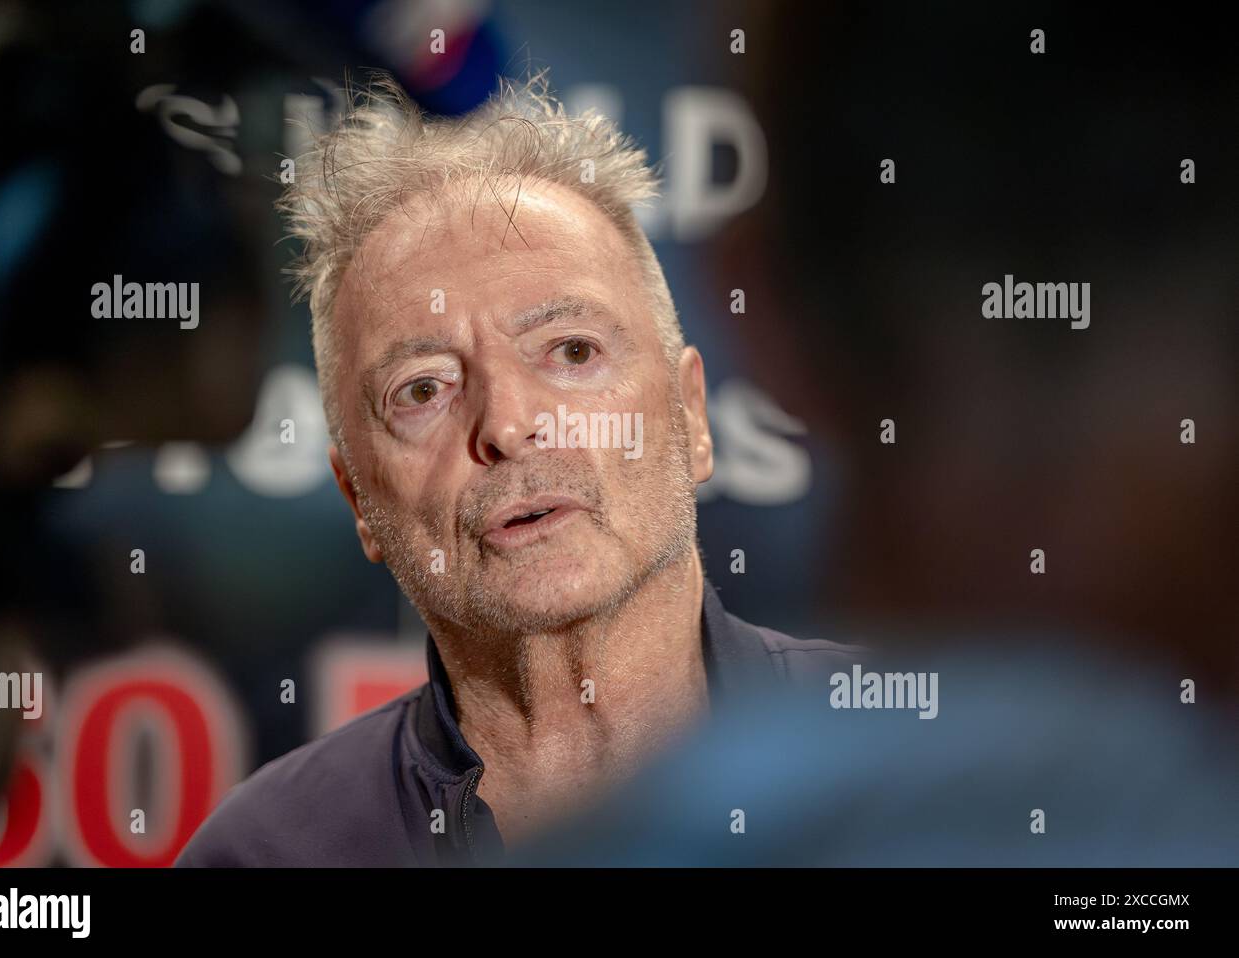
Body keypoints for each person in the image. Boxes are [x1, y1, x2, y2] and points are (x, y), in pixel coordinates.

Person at [175, 71, 860, 867]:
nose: (507, 424)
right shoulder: (266, 855)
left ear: (690, 417)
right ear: (358, 499)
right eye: (423, 389)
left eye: (572, 351)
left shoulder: (925, 765)